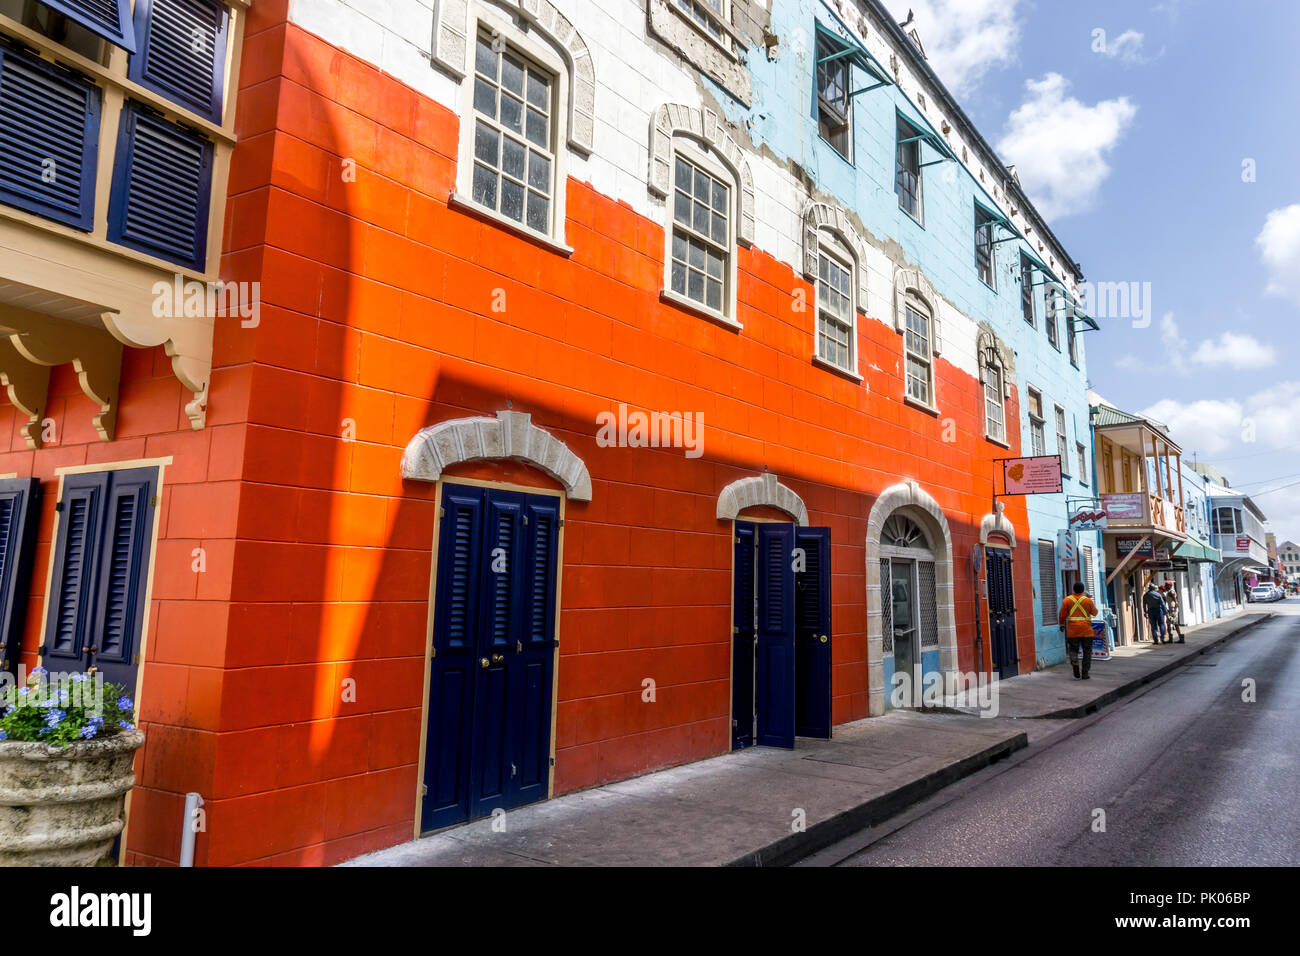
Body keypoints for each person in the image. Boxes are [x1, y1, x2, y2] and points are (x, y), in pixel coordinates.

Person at [1059, 581, 1098, 679]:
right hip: (1086, 631)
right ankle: (1085, 673)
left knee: (1073, 650)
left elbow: (1062, 615)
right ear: (1083, 590)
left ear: (1073, 589)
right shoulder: (1087, 601)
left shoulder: (1067, 600)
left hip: (1073, 631)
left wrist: (1062, 625)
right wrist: (1088, 599)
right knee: (1087, 652)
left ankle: (1075, 664)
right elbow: (1095, 613)